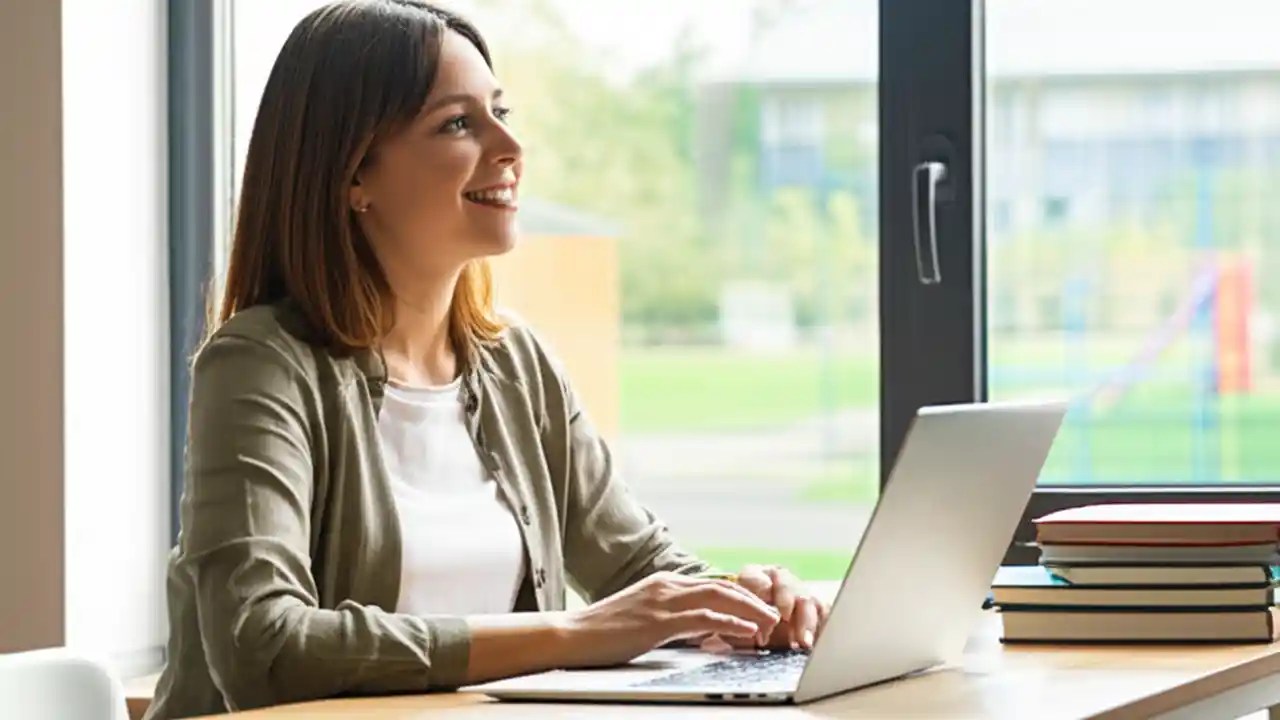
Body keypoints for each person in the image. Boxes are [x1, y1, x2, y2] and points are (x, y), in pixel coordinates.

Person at [145, 2, 828, 717]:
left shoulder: (514, 364)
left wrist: (743, 602)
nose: (509, 147)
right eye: (458, 124)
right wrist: (570, 632)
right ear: (354, 176)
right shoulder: (261, 365)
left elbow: (639, 570)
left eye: (500, 112)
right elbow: (264, 646)